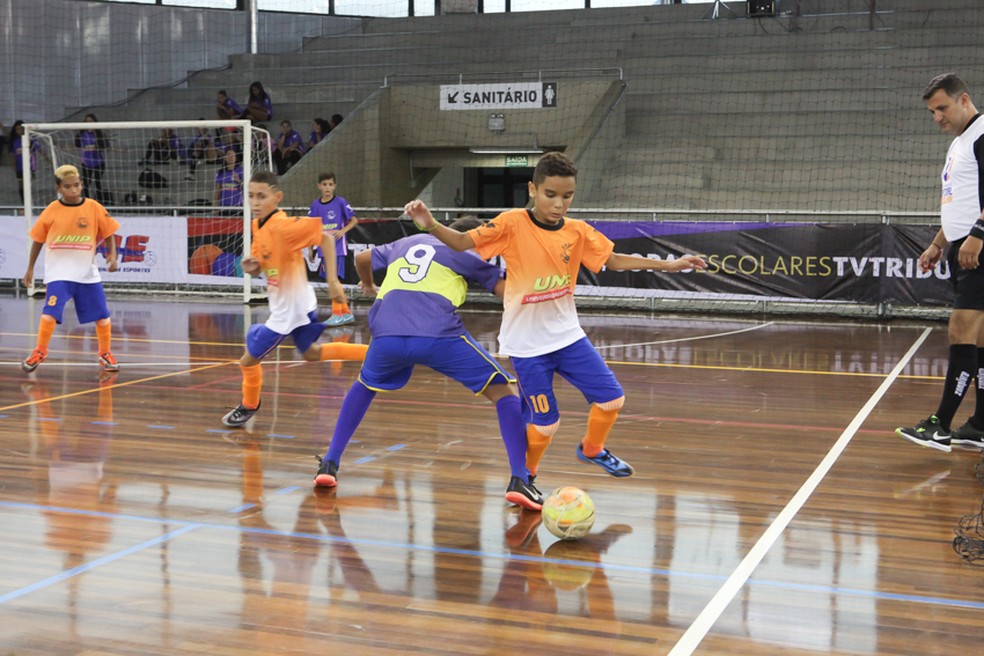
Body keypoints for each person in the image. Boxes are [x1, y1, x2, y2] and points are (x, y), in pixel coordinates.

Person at [404, 152, 707, 482]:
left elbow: (614, 260)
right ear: (533, 189)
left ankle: (591, 449)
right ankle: (525, 477)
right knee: (546, 423)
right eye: (551, 195)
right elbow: (462, 242)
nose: (559, 204)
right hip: (527, 345)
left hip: (568, 336)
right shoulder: (511, 223)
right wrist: (430, 223)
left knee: (612, 400)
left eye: (567, 196)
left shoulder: (577, 231)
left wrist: (669, 265)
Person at [312, 216, 544, 510]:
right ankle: (520, 479)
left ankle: (329, 463)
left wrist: (368, 284)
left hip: (386, 333)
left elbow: (362, 257)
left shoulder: (407, 242)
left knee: (364, 386)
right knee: (504, 392)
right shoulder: (465, 252)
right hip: (436, 334)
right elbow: (508, 291)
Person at [222, 171, 367, 428]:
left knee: (247, 361)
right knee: (312, 353)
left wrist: (332, 281)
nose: (255, 202)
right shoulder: (258, 225)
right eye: (251, 196)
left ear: (277, 198)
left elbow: (323, 236)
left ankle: (249, 405)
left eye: (261, 196)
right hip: (298, 302)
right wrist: (253, 266)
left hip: (288, 312)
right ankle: (375, 354)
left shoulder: (283, 225)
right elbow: (262, 264)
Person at [897, 72, 984, 453]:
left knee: (960, 330)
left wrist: (978, 235)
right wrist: (937, 243)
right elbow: (959, 201)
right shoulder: (960, 143)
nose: (938, 118)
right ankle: (980, 426)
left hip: (978, 248)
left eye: (942, 108)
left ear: (963, 99)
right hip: (963, 244)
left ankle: (941, 425)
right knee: (980, 339)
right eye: (932, 112)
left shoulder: (982, 134)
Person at [22, 164, 120, 373]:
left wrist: (113, 255)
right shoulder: (51, 210)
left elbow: (109, 231)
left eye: (77, 185)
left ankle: (105, 354)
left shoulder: (94, 207)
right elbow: (38, 240)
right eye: (68, 187)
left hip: (87, 274)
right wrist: (30, 268)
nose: (74, 190)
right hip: (59, 274)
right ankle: (40, 351)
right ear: (59, 189)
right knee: (49, 313)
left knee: (103, 316)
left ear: (82, 185)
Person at [308, 171, 358, 326]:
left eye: (330, 184)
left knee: (334, 280)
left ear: (334, 186)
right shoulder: (315, 205)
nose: (327, 187)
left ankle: (337, 313)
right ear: (319, 186)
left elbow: (354, 220)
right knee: (331, 280)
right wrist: (311, 248)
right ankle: (346, 313)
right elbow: (311, 227)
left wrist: (342, 231)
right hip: (323, 248)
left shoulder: (341, 202)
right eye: (324, 185)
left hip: (338, 248)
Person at [75, 113, 110, 203]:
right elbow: (77, 145)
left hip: (98, 161)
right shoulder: (81, 134)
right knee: (86, 183)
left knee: (98, 183)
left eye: (90, 121)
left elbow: (105, 145)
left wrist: (95, 146)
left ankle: (100, 203)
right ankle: (85, 202)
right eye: (86, 122)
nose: (88, 123)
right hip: (86, 162)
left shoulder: (99, 134)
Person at [9, 119, 40, 202]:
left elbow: (40, 149)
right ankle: (24, 203)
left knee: (27, 185)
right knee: (20, 186)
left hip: (29, 166)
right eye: (17, 129)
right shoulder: (14, 141)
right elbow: (13, 154)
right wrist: (13, 164)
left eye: (20, 129)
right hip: (19, 167)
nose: (18, 131)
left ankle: (29, 203)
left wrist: (48, 159)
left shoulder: (30, 139)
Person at [214, 148, 243, 212]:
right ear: (225, 157)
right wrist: (215, 208)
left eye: (233, 155)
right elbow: (217, 191)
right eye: (228, 154)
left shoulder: (241, 171)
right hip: (224, 206)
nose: (230, 157)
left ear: (236, 158)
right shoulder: (220, 172)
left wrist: (238, 181)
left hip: (239, 206)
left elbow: (247, 189)